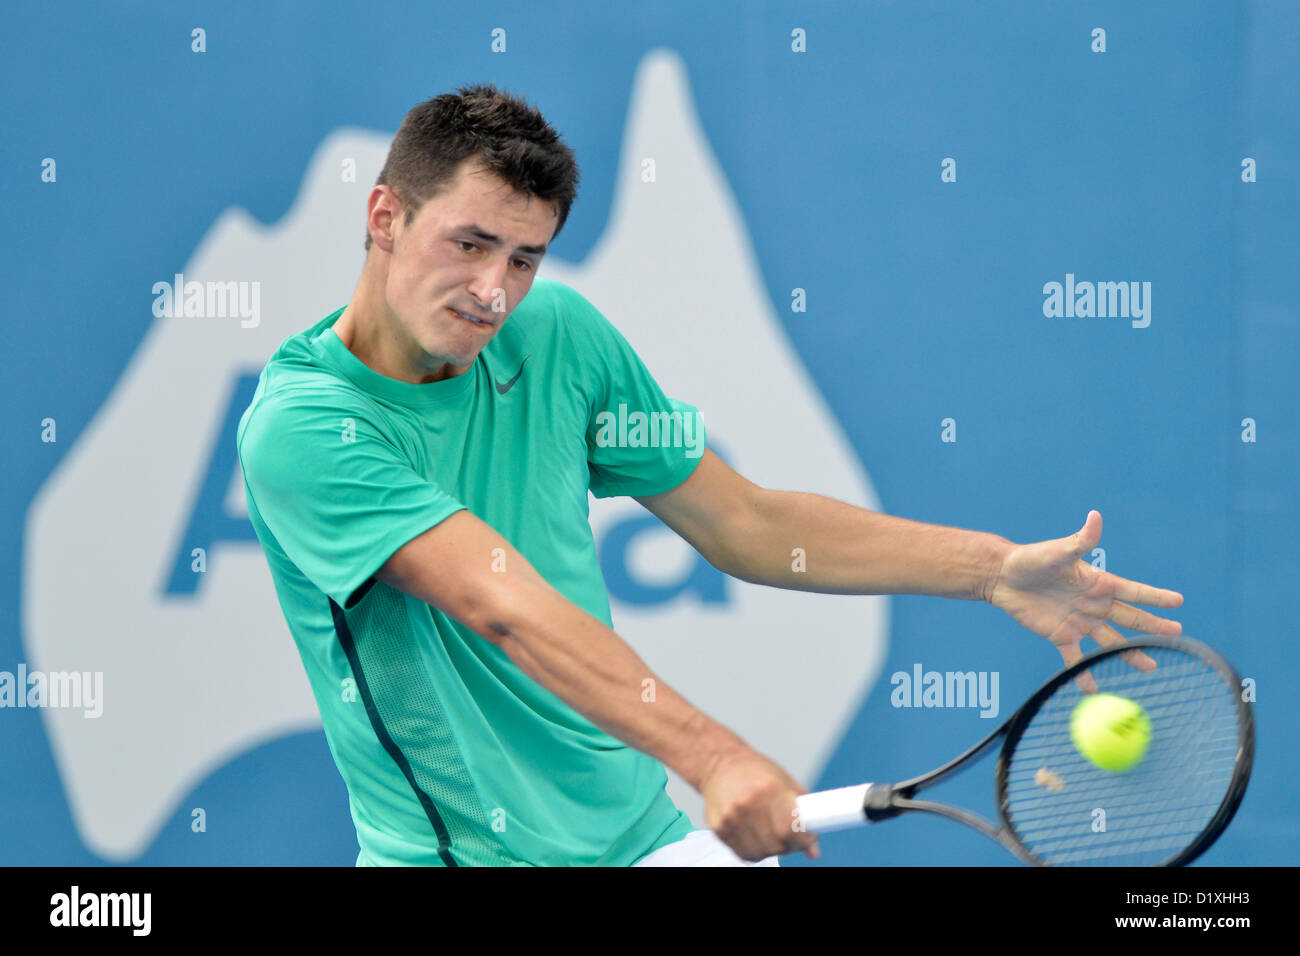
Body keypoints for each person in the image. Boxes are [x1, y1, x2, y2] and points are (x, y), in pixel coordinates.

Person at [236, 84, 1183, 867]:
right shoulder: (307, 429)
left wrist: (991, 567)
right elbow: (502, 606)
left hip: (643, 840)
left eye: (525, 258)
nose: (495, 289)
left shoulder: (558, 334)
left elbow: (746, 522)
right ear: (384, 216)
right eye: (470, 243)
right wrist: (718, 757)